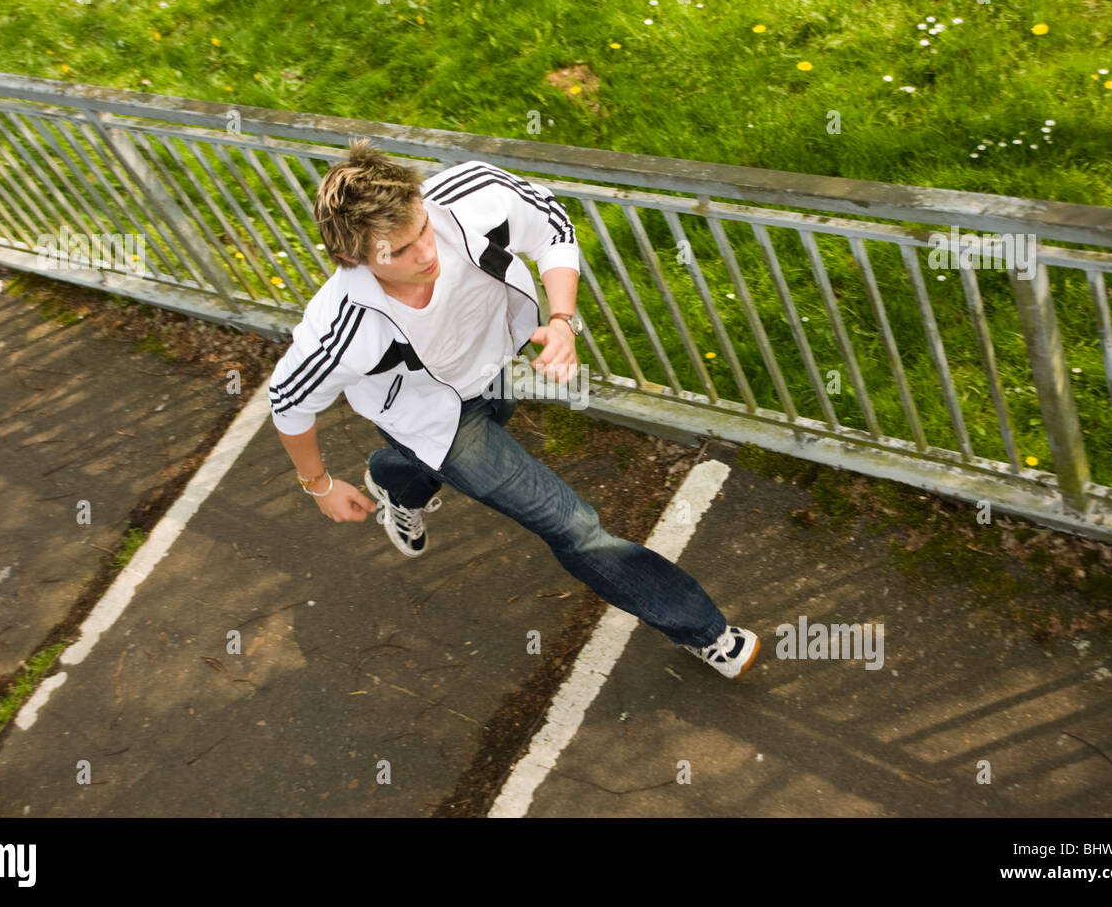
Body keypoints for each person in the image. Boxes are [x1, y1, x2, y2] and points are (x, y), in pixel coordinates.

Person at [268, 140, 760, 679]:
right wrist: (318, 486)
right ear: (352, 258)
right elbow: (288, 401)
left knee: (477, 431)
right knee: (574, 526)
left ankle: (395, 480)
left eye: (422, 229)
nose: (426, 253)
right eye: (400, 252)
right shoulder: (341, 327)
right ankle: (706, 632)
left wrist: (563, 318)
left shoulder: (474, 195)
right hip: (434, 420)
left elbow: (554, 227)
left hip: (494, 367)